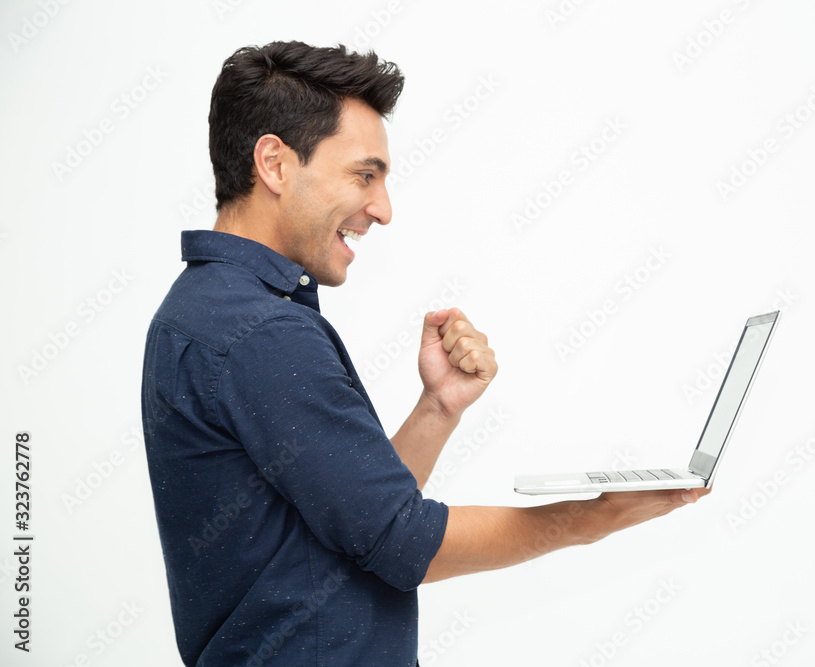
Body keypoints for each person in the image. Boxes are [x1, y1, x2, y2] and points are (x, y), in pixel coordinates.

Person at [141, 40, 707, 666]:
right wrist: (588, 519)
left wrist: (439, 406)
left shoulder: (200, 311)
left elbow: (362, 529)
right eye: (365, 174)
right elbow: (402, 542)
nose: (382, 209)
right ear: (274, 163)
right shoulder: (262, 332)